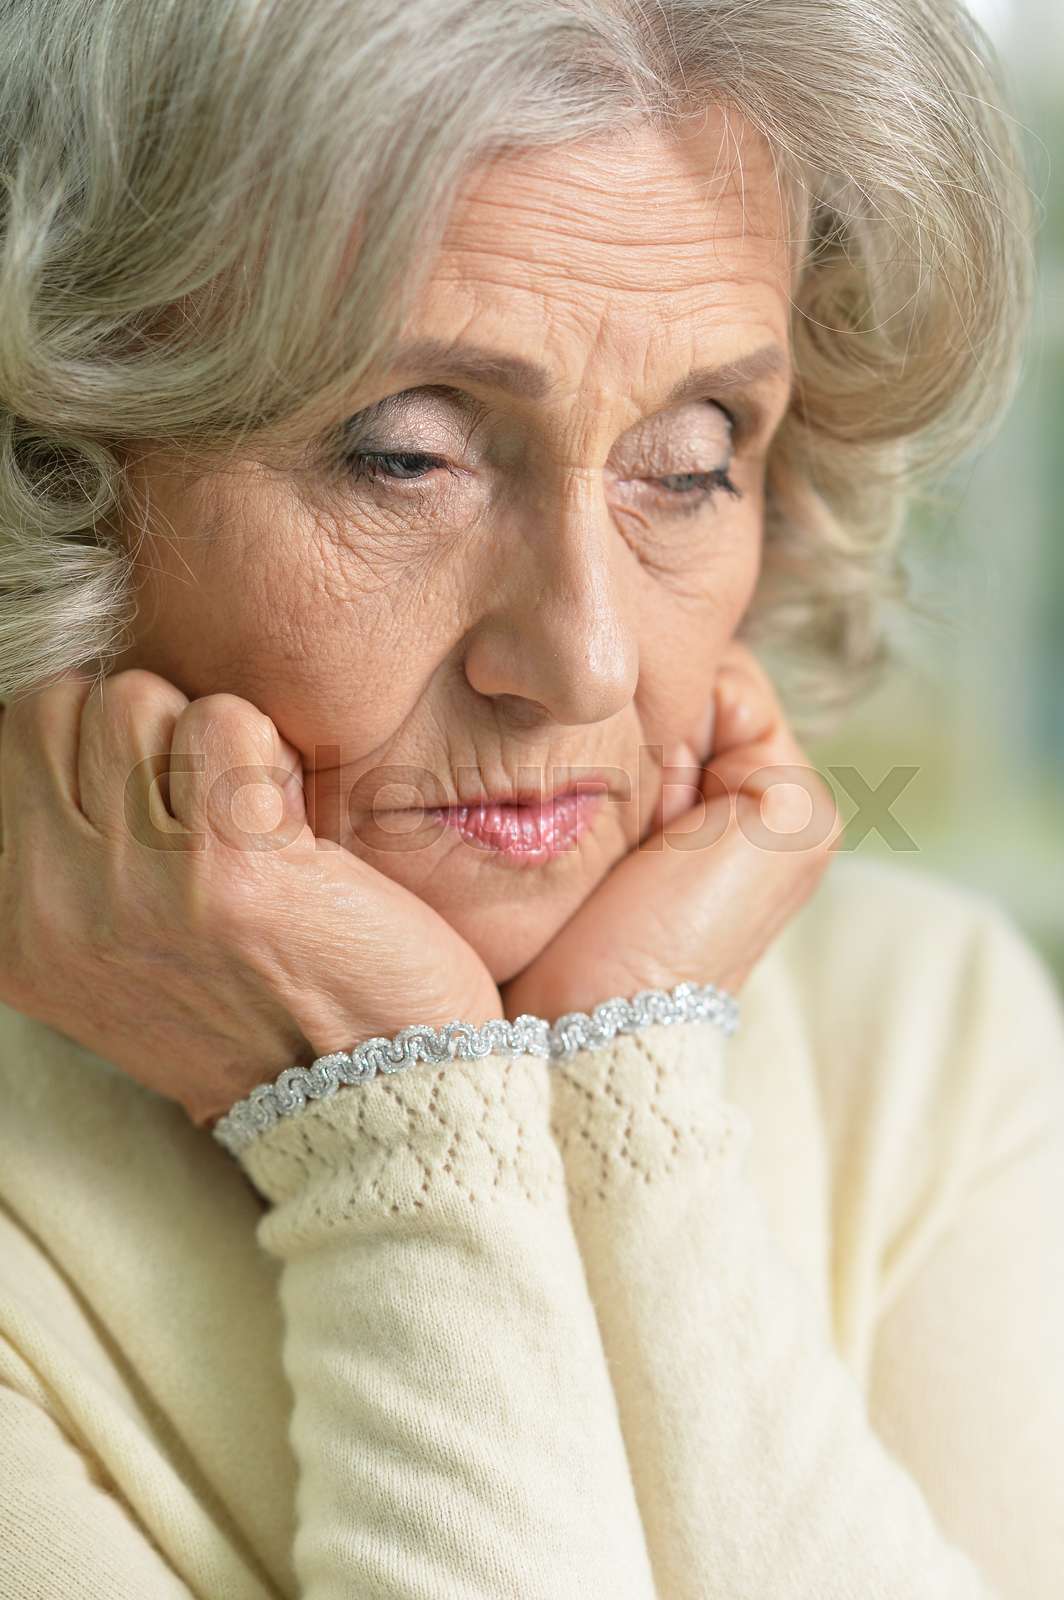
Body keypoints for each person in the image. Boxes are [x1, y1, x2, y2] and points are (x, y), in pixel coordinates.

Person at [1, 1, 1061, 1596]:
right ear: (65, 474)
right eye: (403, 455)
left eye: (694, 459)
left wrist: (617, 1087)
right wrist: (403, 1136)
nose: (581, 659)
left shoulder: (922, 1026)